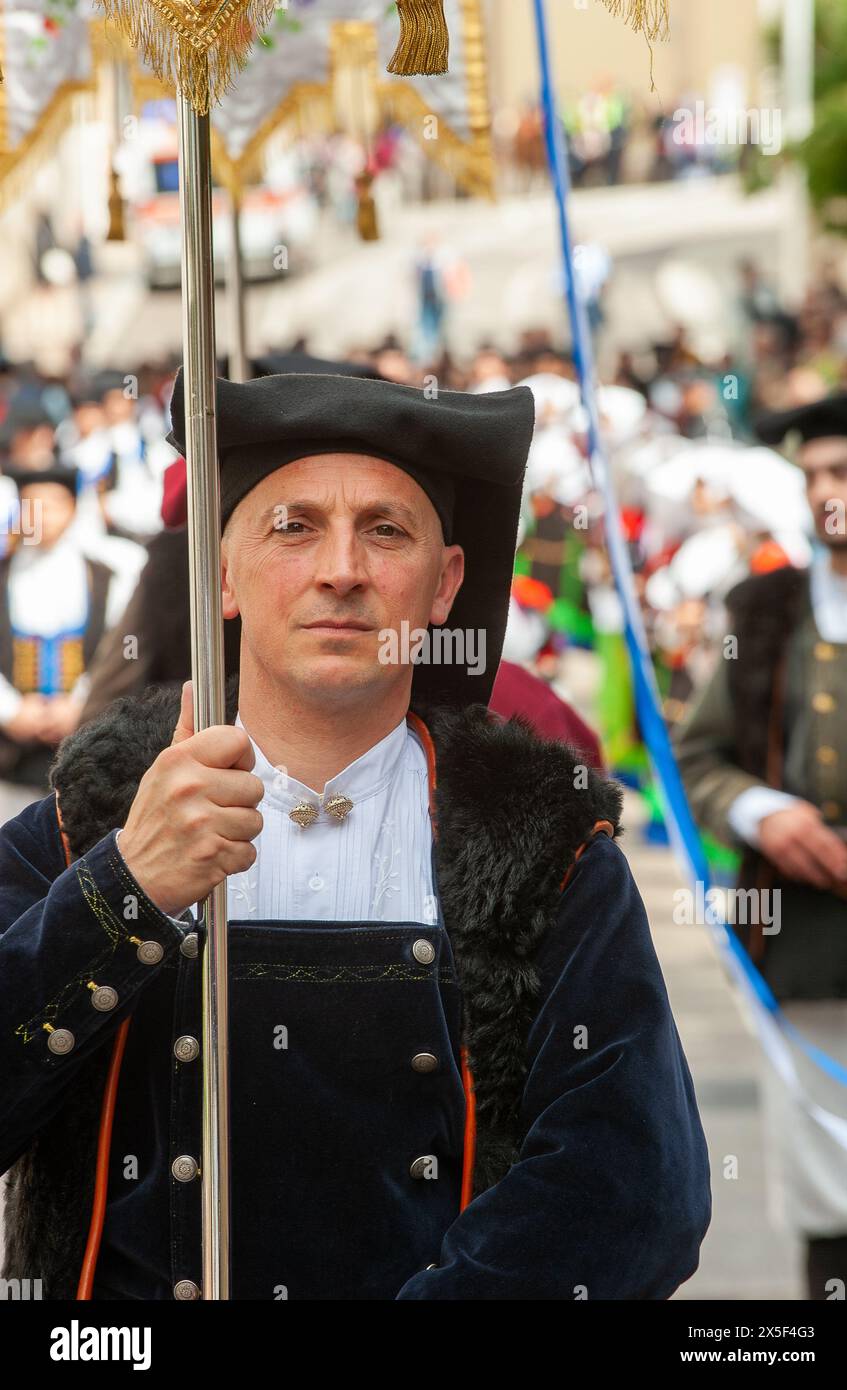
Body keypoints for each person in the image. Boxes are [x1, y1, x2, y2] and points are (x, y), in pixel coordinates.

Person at [0, 369, 710, 1300]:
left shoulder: (548, 851)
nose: (342, 568)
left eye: (386, 529)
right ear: (222, 573)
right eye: (293, 527)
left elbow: (634, 1187)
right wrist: (124, 889)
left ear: (445, 582)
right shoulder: (77, 823)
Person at [676, 391, 847, 1299]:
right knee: (832, 1178)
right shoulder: (768, 611)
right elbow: (700, 756)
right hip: (809, 939)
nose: (827, 489)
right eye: (814, 473)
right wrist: (763, 814)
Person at [0, 464, 138, 821]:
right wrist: (12, 711)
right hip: (9, 756)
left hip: (85, 745)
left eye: (53, 504)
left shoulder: (105, 575)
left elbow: (118, 651)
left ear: (74, 508)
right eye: (33, 505)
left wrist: (80, 703)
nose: (42, 516)